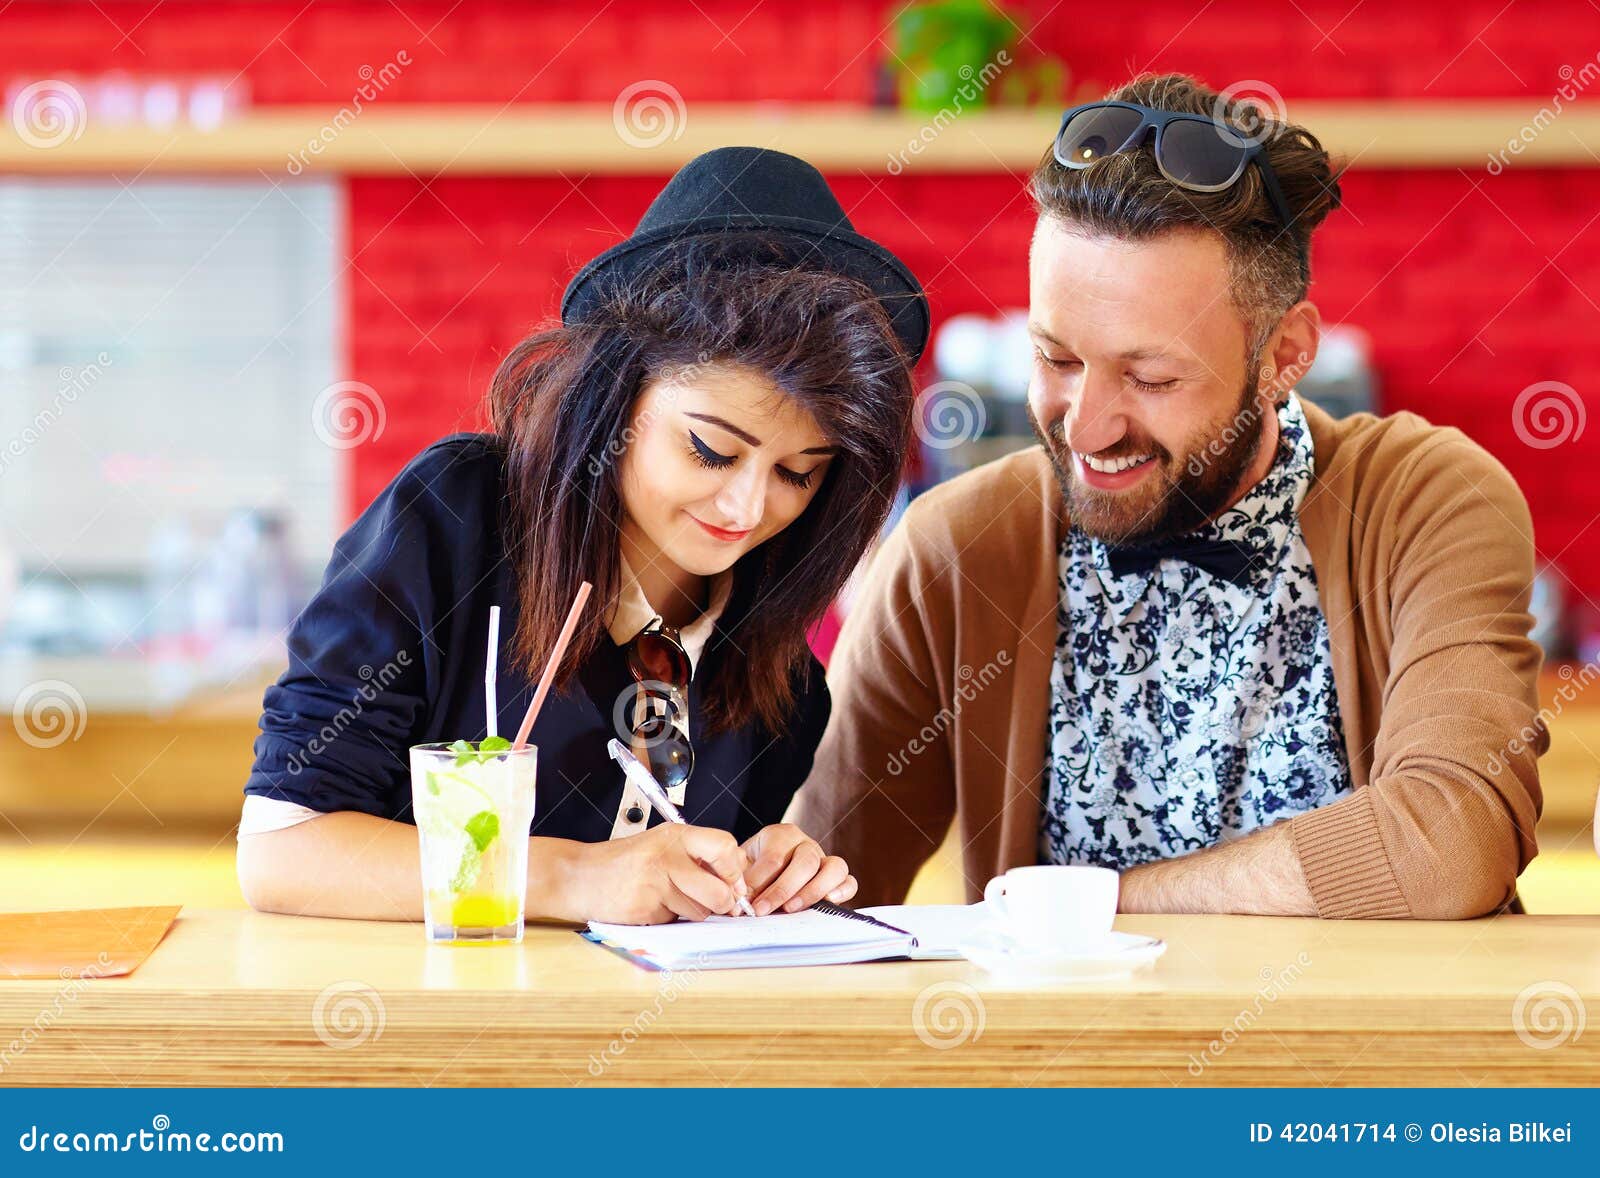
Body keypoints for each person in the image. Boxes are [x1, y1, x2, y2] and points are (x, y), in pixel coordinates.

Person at [792, 74, 1546, 920]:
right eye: (1056, 359)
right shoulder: (957, 548)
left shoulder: (1424, 501)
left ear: (1285, 355)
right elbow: (815, 900)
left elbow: (1449, 847)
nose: (1086, 428)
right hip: (1056, 1059)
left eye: (1151, 377)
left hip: (1372, 1053)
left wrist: (1094, 903)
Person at [237, 147, 929, 926]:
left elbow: (675, 941)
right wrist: (573, 878)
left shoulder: (786, 693)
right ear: (618, 400)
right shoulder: (458, 518)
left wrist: (760, 888)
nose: (745, 506)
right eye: (710, 450)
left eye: (798, 473)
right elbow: (281, 851)